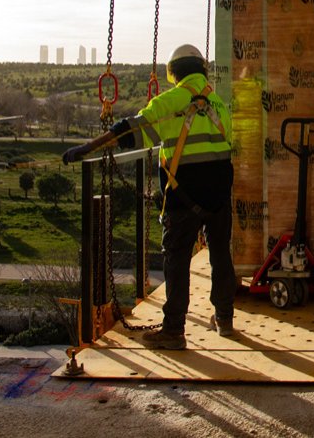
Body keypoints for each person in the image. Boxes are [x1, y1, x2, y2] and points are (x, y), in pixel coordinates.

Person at [63, 44, 236, 350]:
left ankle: (173, 330)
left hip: (185, 195)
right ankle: (224, 318)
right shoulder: (219, 104)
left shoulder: (169, 102)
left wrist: (86, 149)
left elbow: (128, 131)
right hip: (219, 195)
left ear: (174, 73)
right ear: (201, 70)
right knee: (220, 255)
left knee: (177, 259)